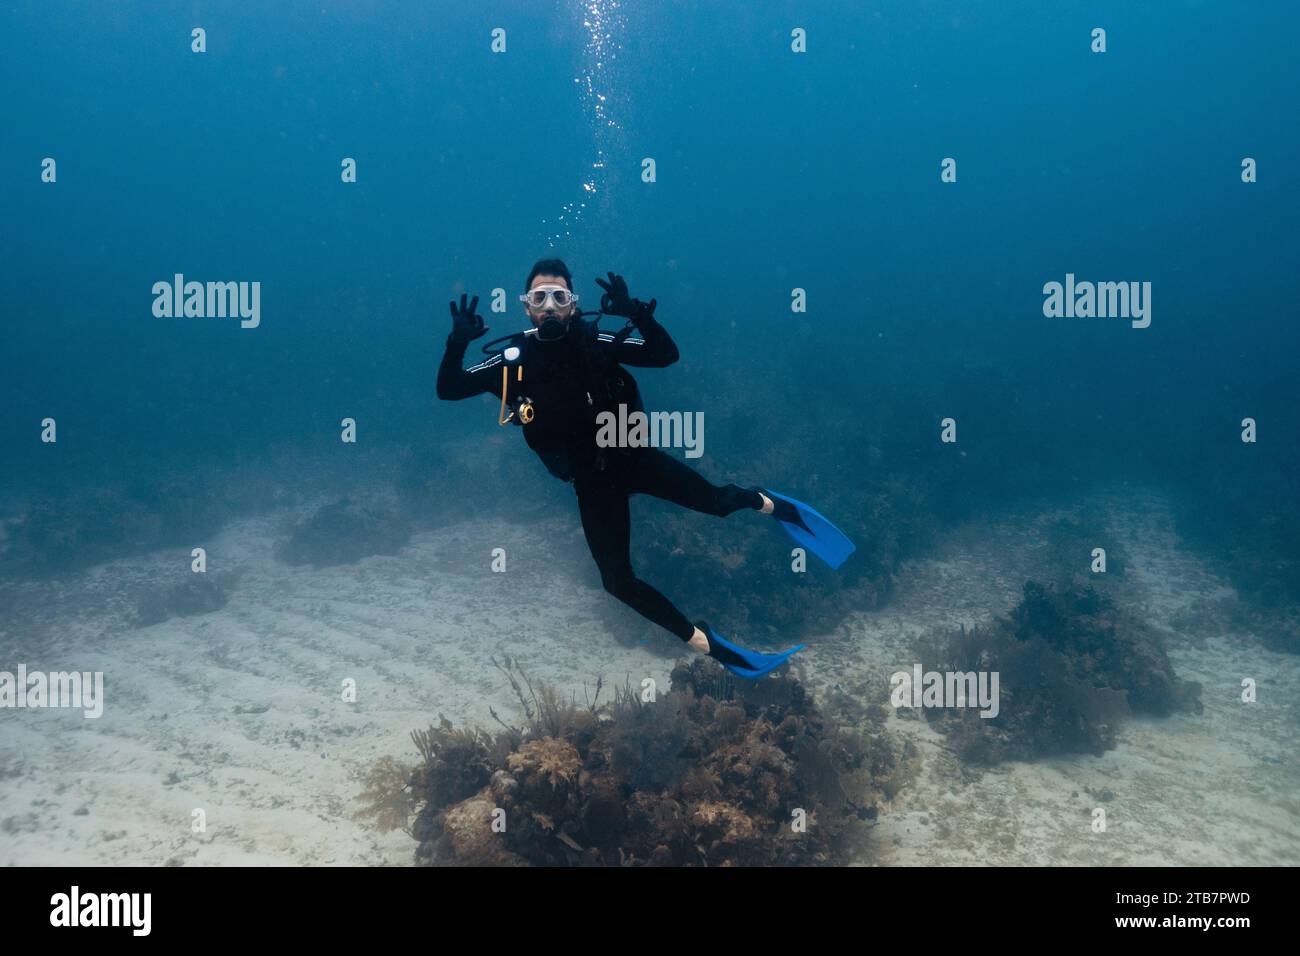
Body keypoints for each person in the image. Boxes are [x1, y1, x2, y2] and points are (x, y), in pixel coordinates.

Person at [436, 259, 853, 677]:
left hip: (632, 455)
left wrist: (636, 312)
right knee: (616, 582)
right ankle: (707, 643)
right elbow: (449, 389)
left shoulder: (594, 340)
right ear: (526, 307)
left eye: (559, 297)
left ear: (573, 305)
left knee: (717, 503)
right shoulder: (513, 360)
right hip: (591, 482)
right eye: (539, 297)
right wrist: (457, 343)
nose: (549, 306)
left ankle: (771, 504)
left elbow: (665, 355)